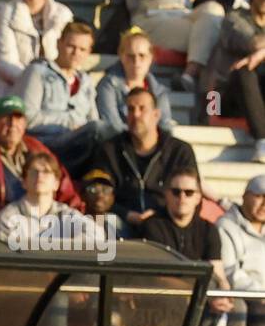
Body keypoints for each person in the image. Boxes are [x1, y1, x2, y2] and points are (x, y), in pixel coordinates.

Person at [140, 167, 246, 326]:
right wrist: (204, 293)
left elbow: (217, 271)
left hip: (202, 293)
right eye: (176, 192)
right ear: (166, 195)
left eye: (189, 193)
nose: (182, 198)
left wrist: (223, 292)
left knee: (237, 307)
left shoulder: (208, 229)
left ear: (198, 197)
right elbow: (158, 277)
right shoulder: (152, 226)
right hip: (166, 296)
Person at [89, 86, 198, 229]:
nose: (136, 115)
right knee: (103, 222)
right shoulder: (109, 150)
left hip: (167, 222)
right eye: (130, 109)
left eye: (142, 108)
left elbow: (194, 196)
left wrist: (159, 214)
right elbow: (98, 194)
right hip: (122, 222)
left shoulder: (179, 151)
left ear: (156, 115)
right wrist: (127, 214)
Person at [0, 95, 82, 220]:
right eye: (6, 118)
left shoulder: (37, 148)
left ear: (25, 123)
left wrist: (76, 214)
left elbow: (64, 186)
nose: (12, 124)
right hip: (5, 220)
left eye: (18, 118)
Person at [16, 21, 101, 179]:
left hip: (79, 143)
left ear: (89, 52)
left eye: (82, 49)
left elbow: (93, 119)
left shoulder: (86, 82)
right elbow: (26, 118)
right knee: (96, 130)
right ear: (59, 44)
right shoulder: (37, 73)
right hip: (46, 144)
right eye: (71, 46)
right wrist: (69, 122)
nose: (76, 53)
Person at [0, 0, 73, 99]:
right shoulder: (7, 13)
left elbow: (67, 58)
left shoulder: (63, 15)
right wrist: (35, 83)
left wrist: (52, 83)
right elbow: (5, 61)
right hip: (13, 86)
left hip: (55, 87)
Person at [0, 152, 108, 249]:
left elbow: (96, 236)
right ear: (24, 182)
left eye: (46, 172)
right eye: (34, 172)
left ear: (56, 183)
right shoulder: (7, 218)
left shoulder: (66, 215)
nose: (39, 176)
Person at [210, 0, 265, 163]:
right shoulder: (234, 18)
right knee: (245, 71)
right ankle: (262, 142)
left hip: (257, 100)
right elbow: (254, 42)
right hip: (217, 98)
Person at [96, 28, 174, 140]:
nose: (136, 62)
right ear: (121, 57)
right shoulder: (108, 86)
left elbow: (165, 128)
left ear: (151, 58)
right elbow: (112, 126)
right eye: (130, 56)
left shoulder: (159, 92)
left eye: (142, 56)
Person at [217, 173, 265, 326]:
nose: (264, 204)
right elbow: (231, 273)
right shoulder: (226, 226)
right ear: (245, 196)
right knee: (257, 312)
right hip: (244, 295)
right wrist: (261, 295)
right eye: (259, 196)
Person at [80, 167, 127, 238]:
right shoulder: (75, 226)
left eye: (106, 189)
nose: (100, 195)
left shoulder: (117, 228)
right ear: (82, 194)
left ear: (113, 197)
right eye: (92, 189)